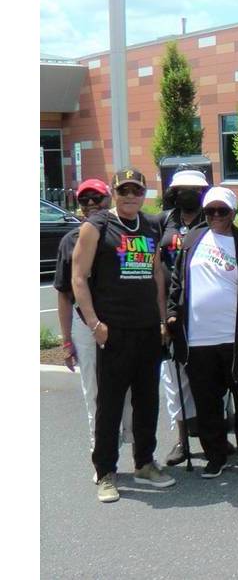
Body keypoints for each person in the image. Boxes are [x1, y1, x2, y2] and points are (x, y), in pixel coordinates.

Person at [72, 168, 176, 502]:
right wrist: (94, 324)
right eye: (123, 190)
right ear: (114, 193)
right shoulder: (97, 226)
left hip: (147, 328)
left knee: (147, 401)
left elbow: (158, 276)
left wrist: (161, 320)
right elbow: (78, 277)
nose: (130, 196)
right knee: (110, 404)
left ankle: (145, 462)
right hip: (113, 331)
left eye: (136, 191)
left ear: (144, 194)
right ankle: (105, 471)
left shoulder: (149, 226)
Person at [166, 187, 238, 478]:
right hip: (198, 341)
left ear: (233, 213)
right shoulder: (192, 241)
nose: (216, 216)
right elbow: (177, 282)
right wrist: (170, 313)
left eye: (223, 211)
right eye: (210, 211)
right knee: (207, 405)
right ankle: (215, 456)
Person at [53, 179, 133, 476]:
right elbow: (64, 294)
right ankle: (101, 463)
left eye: (96, 198)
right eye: (84, 200)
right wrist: (66, 341)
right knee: (96, 394)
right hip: (86, 328)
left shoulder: (122, 233)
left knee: (130, 393)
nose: (90, 205)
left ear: (108, 198)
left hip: (124, 324)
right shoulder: (71, 241)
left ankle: (141, 456)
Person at [157, 169, 218, 466]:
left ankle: (215, 438)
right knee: (175, 380)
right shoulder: (164, 222)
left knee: (211, 379)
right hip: (173, 312)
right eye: (182, 190)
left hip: (205, 313)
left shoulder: (215, 220)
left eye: (195, 190)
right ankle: (182, 441)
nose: (188, 195)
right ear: (173, 192)